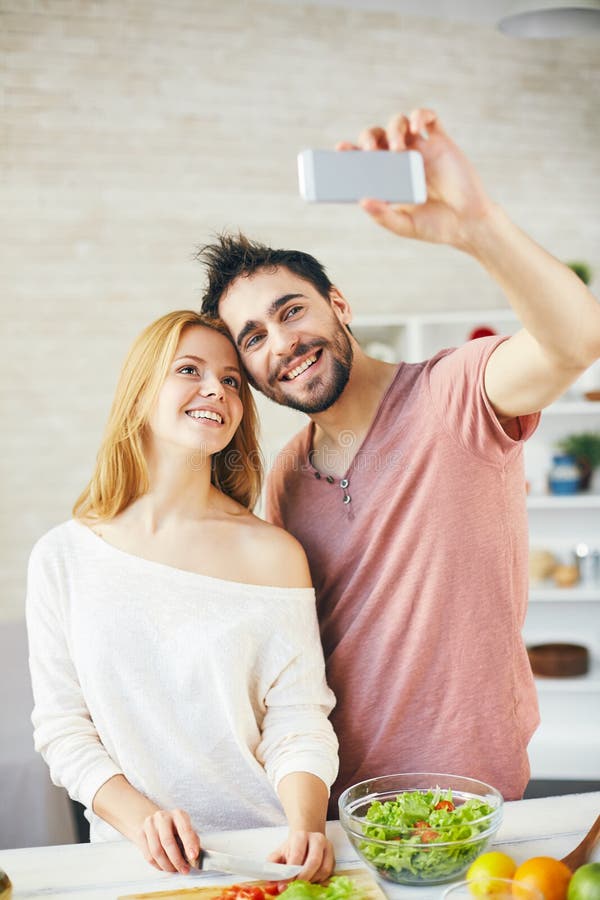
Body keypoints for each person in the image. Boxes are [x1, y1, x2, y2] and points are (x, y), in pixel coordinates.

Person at [197, 108, 600, 815]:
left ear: (340, 304)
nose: (282, 342)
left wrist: (474, 223)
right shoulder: (288, 476)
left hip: (468, 794)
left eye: (292, 311)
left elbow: (576, 340)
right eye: (254, 336)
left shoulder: (455, 393)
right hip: (338, 800)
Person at [26, 311, 338, 880]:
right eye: (189, 369)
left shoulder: (274, 554)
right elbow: (63, 728)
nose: (215, 389)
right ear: (140, 393)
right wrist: (142, 819)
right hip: (133, 862)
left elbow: (298, 719)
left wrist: (306, 827)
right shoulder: (63, 557)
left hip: (266, 853)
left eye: (232, 381)